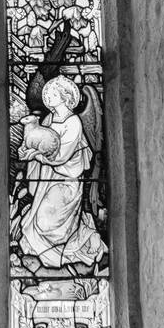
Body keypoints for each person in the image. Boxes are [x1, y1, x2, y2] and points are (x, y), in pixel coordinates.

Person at [18, 77, 105, 270]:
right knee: (37, 220)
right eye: (48, 94)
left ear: (65, 97)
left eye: (54, 94)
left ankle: (70, 246)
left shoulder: (73, 123)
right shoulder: (49, 118)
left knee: (45, 221)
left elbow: (61, 156)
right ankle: (41, 251)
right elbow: (39, 140)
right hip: (49, 179)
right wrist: (27, 150)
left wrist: (36, 156)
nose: (49, 96)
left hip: (67, 180)